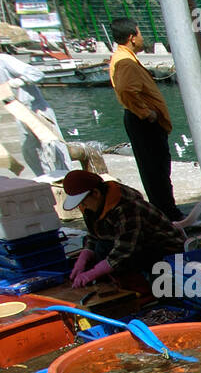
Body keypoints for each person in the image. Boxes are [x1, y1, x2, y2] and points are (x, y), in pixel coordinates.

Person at [108, 17, 182, 221]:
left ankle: (166, 210)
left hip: (141, 121)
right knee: (155, 171)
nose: (142, 38)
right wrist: (146, 113)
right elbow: (126, 90)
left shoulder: (125, 58)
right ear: (132, 37)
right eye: (140, 34)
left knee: (157, 170)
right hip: (143, 123)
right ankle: (168, 213)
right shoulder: (125, 62)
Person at [62, 169, 185, 288]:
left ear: (96, 193)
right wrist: (84, 256)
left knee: (160, 285)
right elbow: (94, 235)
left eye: (83, 203)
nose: (83, 207)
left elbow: (125, 248)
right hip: (134, 247)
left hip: (164, 248)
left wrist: (94, 272)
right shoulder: (92, 208)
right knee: (100, 248)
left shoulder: (128, 207)